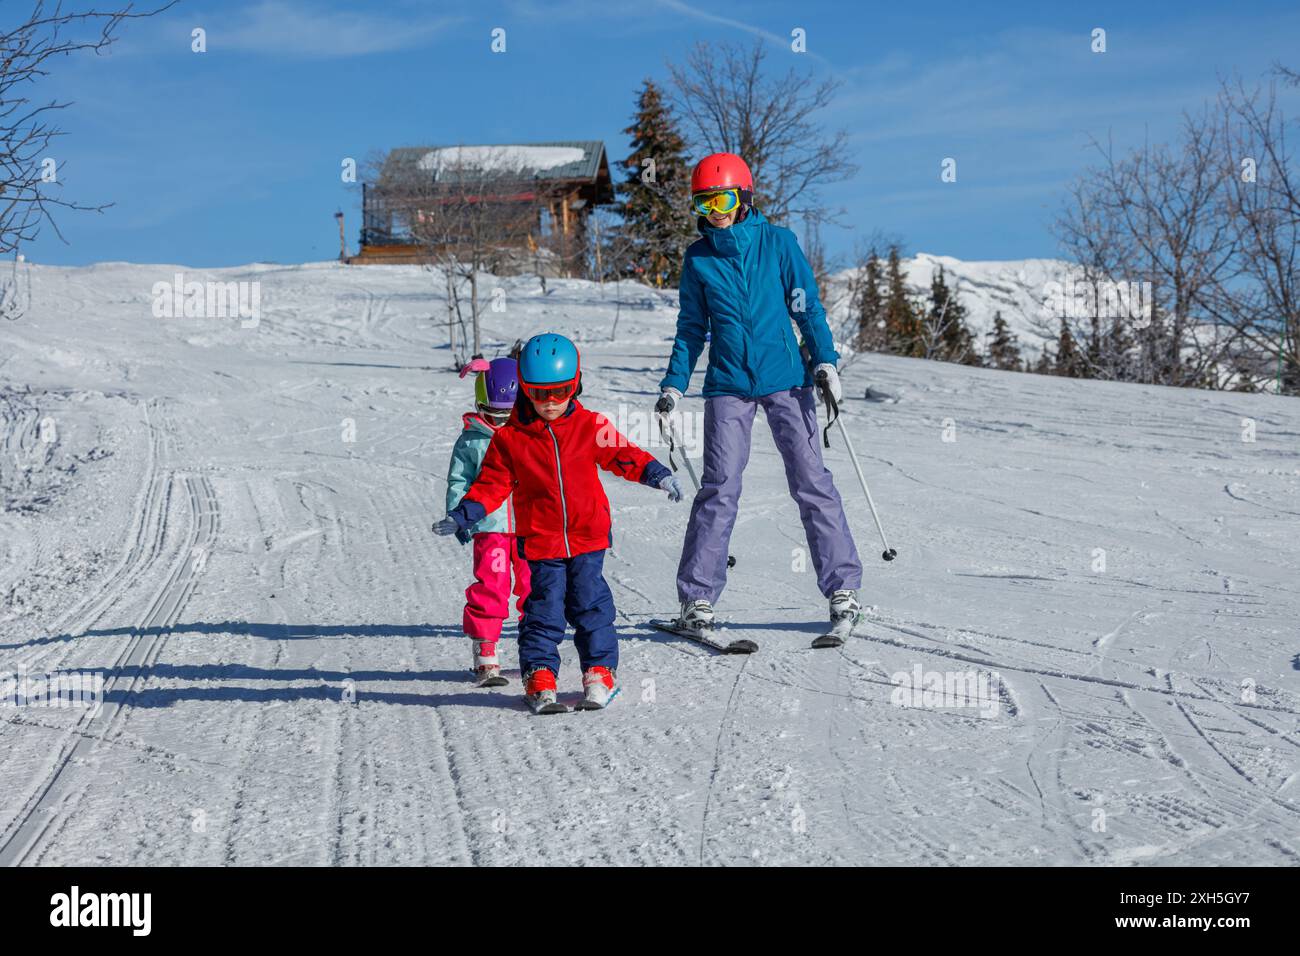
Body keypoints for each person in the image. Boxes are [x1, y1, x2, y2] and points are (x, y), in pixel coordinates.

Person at [658, 152, 863, 633]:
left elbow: (807, 309)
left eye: (724, 198)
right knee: (720, 488)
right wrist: (673, 383)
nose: (715, 210)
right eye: (705, 202)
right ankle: (697, 600)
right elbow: (691, 329)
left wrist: (826, 361)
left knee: (811, 481)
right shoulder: (699, 258)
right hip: (728, 383)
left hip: (787, 380)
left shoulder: (778, 243)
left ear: (744, 196)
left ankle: (842, 590)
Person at [435, 333, 684, 713]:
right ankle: (539, 674)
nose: (550, 403)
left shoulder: (589, 425)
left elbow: (622, 454)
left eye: (561, 391)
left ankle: (599, 672)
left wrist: (657, 474)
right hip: (540, 541)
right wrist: (463, 515)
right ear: (526, 390)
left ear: (576, 384)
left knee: (591, 606)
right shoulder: (510, 439)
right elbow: (490, 485)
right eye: (539, 394)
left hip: (588, 537)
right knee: (542, 609)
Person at [445, 357, 530, 687]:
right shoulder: (472, 440)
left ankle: (534, 653)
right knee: (490, 590)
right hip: (490, 531)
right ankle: (485, 654)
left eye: (506, 416)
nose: (498, 422)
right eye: (491, 414)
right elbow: (458, 481)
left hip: (528, 530)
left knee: (534, 589)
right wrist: (460, 517)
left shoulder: (530, 437)